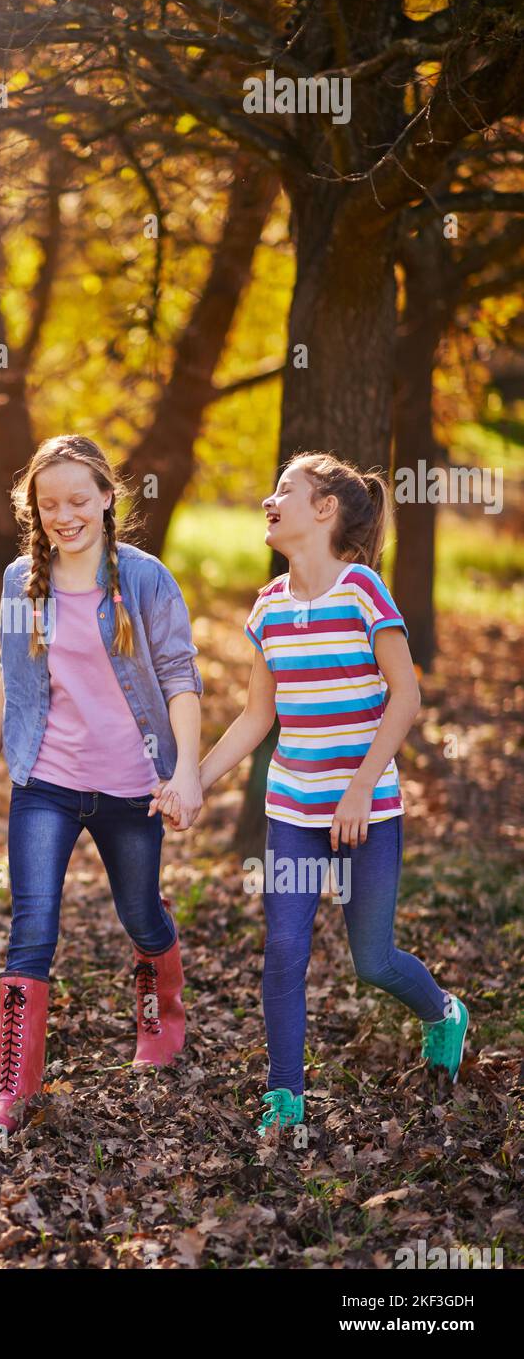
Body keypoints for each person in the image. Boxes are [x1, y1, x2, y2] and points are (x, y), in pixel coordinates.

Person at [198, 453, 469, 1138]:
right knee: (284, 947)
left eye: (282, 490)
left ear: (323, 510)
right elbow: (257, 716)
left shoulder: (363, 592)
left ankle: (443, 1013)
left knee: (371, 961)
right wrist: (193, 780)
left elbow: (404, 696)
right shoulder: (266, 606)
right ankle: (284, 1100)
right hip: (292, 810)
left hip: (365, 812)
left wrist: (356, 788)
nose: (267, 499)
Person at [0, 435, 203, 1134]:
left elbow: (180, 677)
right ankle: (12, 1093)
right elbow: (12, 677)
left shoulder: (146, 579)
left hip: (131, 786)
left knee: (140, 919)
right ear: (32, 510)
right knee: (31, 927)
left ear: (104, 498)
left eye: (75, 500)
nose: (62, 515)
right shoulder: (18, 581)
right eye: (47, 504)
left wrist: (184, 772)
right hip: (46, 779)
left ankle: (161, 1012)